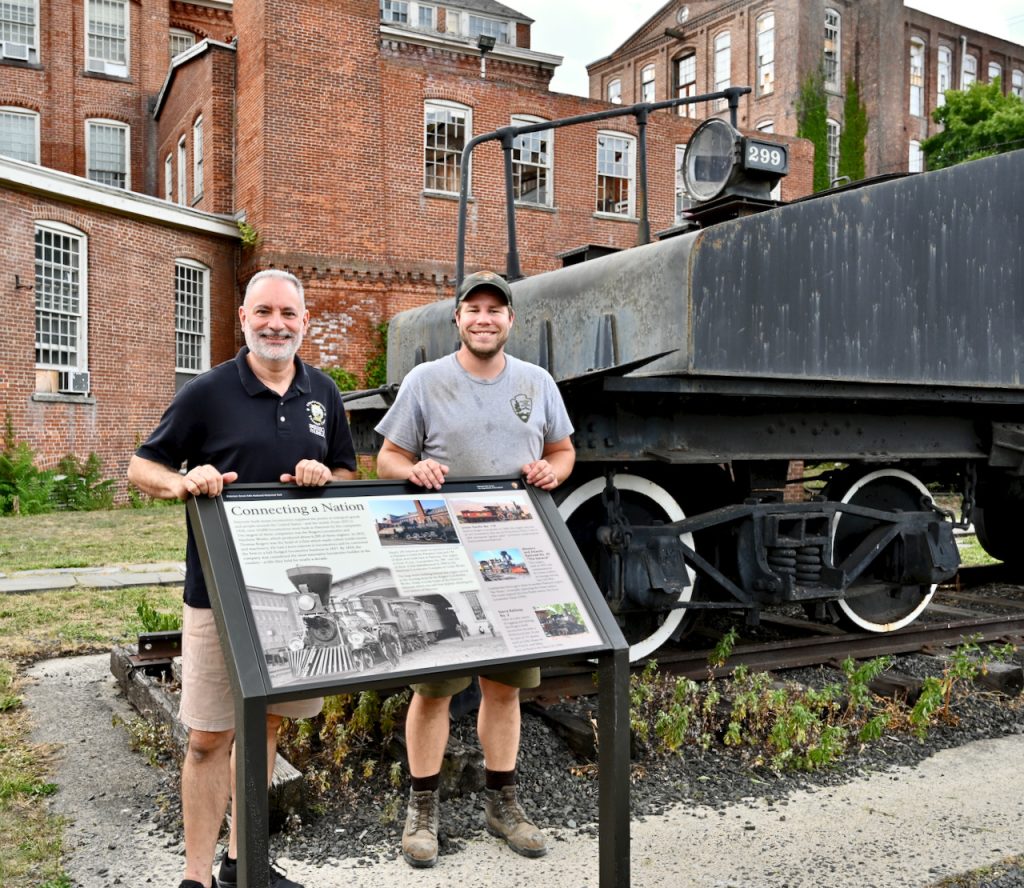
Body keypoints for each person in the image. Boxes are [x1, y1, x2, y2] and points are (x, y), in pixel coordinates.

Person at [127, 269, 357, 888]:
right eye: (263, 312)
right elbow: (141, 465)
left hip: (297, 597)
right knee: (207, 738)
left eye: (288, 313)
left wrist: (325, 476)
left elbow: (348, 476)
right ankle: (195, 878)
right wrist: (181, 482)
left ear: (304, 322)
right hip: (218, 595)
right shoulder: (208, 392)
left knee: (269, 726)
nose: (276, 324)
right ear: (243, 319)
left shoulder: (323, 394)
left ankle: (243, 862)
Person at [375, 270, 576, 868]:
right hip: (438, 551)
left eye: (496, 309)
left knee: (504, 686)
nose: (484, 319)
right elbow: (387, 456)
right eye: (473, 309)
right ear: (457, 320)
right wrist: (412, 471)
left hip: (512, 549)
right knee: (434, 688)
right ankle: (423, 812)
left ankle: (502, 805)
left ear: (511, 321)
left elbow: (563, 450)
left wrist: (554, 471)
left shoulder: (536, 384)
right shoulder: (425, 381)